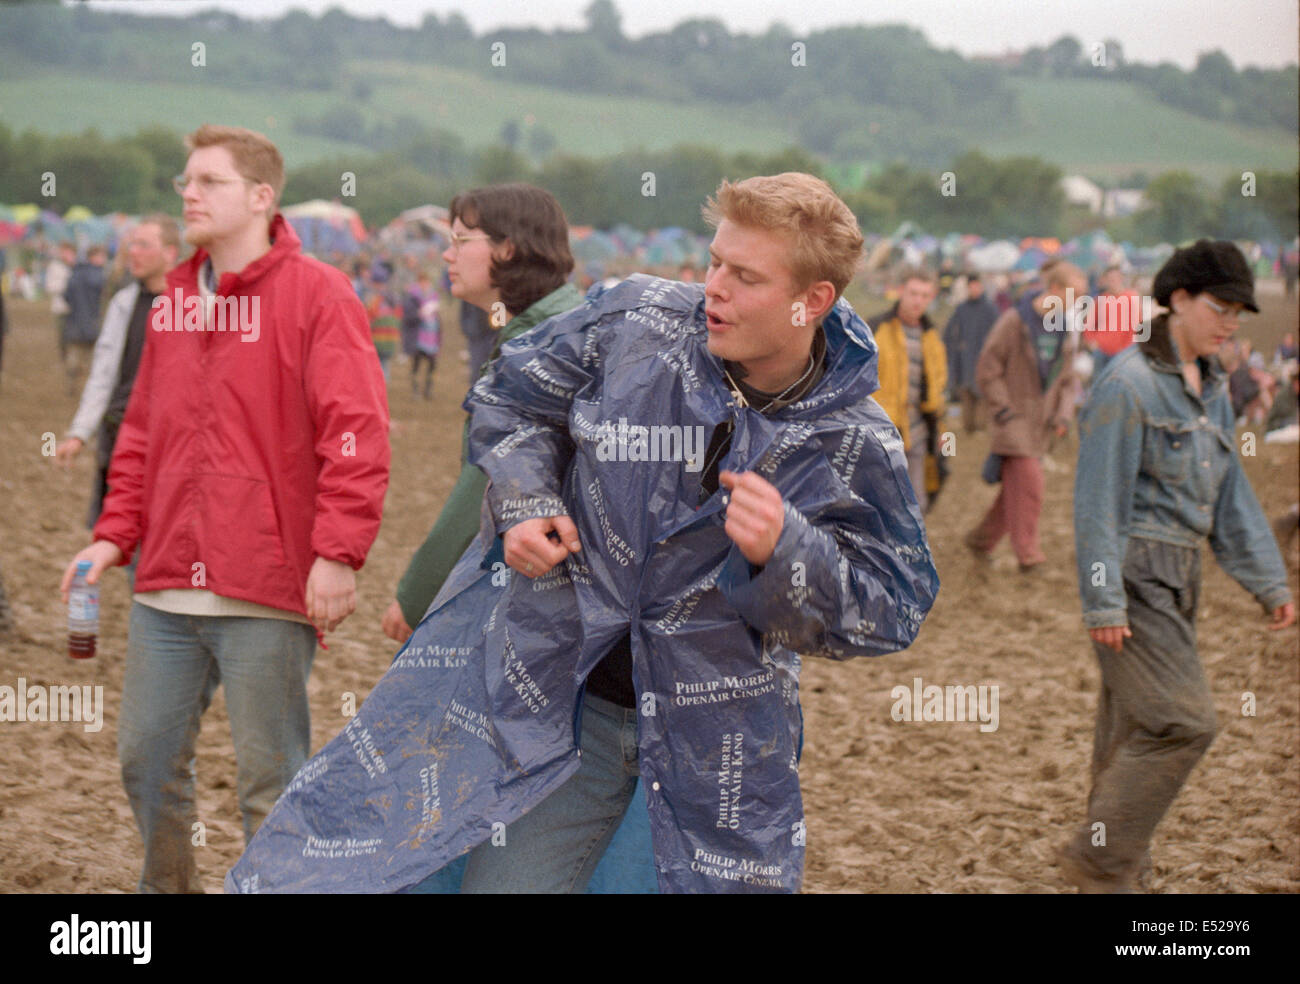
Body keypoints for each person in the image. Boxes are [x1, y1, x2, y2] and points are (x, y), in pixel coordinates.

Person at [228, 172, 939, 894]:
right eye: (716, 260)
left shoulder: (850, 438)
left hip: (717, 743)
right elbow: (512, 399)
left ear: (812, 300)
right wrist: (525, 502)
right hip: (567, 705)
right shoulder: (636, 324)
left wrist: (788, 553)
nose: (713, 286)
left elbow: (894, 603)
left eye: (745, 276)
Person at [58, 124, 391, 894]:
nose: (189, 193)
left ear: (260, 197)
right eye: (185, 181)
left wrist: (337, 553)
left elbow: (356, 431)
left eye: (207, 180)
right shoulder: (174, 298)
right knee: (144, 758)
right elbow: (141, 428)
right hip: (164, 580)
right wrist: (113, 537)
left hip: (267, 586)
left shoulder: (319, 294)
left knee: (269, 783)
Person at [378, 183, 653, 894]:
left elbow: (484, 487)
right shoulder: (533, 324)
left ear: (504, 248)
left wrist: (417, 598)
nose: (445, 253)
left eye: (459, 236)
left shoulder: (544, 336)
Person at [1061, 239, 1295, 894]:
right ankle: (1100, 860)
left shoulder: (1213, 387)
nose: (1230, 323)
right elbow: (1096, 501)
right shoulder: (1128, 384)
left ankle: (1115, 869)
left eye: (1239, 314)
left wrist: (1268, 581)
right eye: (1220, 307)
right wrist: (1103, 599)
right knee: (1186, 722)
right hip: (1135, 578)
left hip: (1181, 574)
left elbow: (1232, 497)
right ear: (1180, 299)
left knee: (1134, 723)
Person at [55, 216, 182, 530]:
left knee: (161, 531)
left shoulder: (193, 306)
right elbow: (103, 374)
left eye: (143, 245)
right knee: (117, 529)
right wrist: (79, 432)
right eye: (130, 245)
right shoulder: (123, 304)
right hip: (120, 432)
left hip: (168, 440)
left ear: (170, 252)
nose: (132, 253)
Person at [966, 261, 1087, 572]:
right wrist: (1003, 408)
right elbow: (987, 369)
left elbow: (1067, 380)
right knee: (1031, 487)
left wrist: (1063, 416)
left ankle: (981, 540)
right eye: (1074, 295)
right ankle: (1029, 556)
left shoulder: (1066, 330)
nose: (1078, 303)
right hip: (1014, 419)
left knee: (1015, 491)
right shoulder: (1014, 322)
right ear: (1055, 290)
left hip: (1042, 424)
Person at [871, 267, 947, 512]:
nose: (918, 301)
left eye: (925, 296)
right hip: (882, 430)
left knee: (918, 503)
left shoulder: (932, 337)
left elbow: (938, 387)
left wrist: (942, 430)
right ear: (901, 292)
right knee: (882, 502)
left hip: (919, 431)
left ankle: (911, 550)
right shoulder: (876, 329)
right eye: (914, 293)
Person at [943, 272, 998, 433]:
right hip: (965, 361)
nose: (974, 289)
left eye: (976, 286)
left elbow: (997, 336)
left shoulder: (990, 310)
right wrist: (955, 351)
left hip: (984, 361)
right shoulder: (962, 309)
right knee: (966, 396)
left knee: (983, 397)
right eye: (971, 286)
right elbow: (950, 334)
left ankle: (981, 430)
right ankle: (968, 430)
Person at [62, 244, 107, 395]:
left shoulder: (75, 274)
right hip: (93, 323)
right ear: (94, 257)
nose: (104, 260)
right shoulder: (99, 276)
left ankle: (72, 384)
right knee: (92, 359)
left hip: (74, 322)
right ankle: (88, 388)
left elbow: (66, 297)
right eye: (101, 256)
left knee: (74, 355)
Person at [1082, 265, 1139, 380]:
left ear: (1121, 279)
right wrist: (1091, 341)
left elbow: (1136, 326)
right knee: (1098, 381)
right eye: (1110, 279)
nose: (1113, 282)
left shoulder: (1131, 298)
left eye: (1115, 278)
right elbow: (1089, 324)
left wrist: (1127, 347)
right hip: (1101, 350)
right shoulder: (1100, 300)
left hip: (1122, 351)